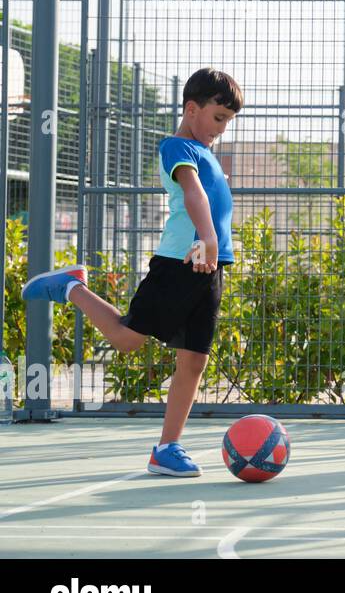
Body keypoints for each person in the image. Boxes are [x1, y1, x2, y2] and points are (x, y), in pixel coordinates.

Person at [23, 68, 242, 477]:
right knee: (127, 339)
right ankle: (71, 287)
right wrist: (208, 237)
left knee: (194, 360)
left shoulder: (208, 151)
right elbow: (194, 195)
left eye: (228, 122)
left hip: (210, 268)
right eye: (217, 118)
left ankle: (167, 447)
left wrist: (216, 249)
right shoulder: (177, 148)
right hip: (180, 262)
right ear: (192, 109)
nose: (221, 129)